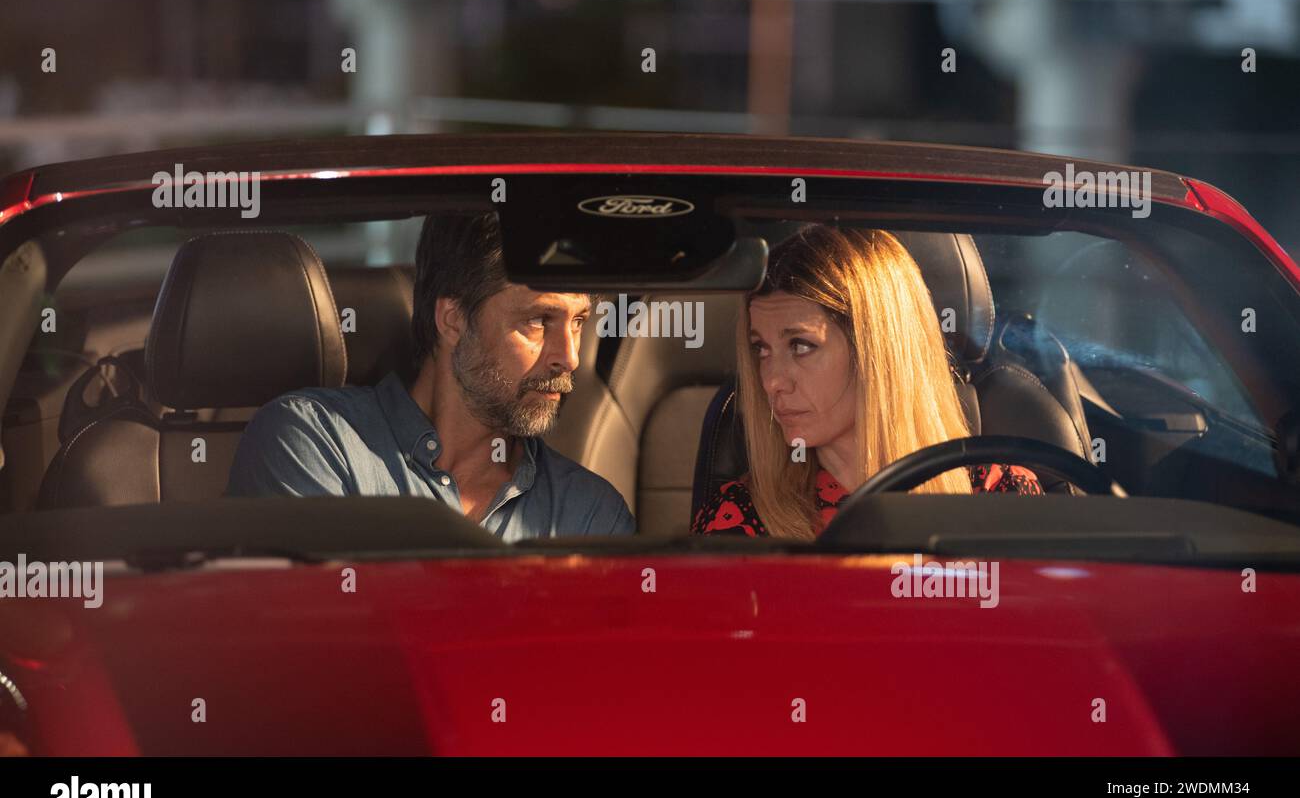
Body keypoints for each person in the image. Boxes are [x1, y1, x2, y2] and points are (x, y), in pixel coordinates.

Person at [227, 211, 635, 542]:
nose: (569, 357)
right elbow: (317, 634)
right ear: (452, 320)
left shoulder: (592, 513)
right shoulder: (315, 443)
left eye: (579, 321)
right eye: (538, 321)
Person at [692, 224, 1041, 539]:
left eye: (801, 345)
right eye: (761, 349)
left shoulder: (1000, 494)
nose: (771, 382)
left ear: (877, 351)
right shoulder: (741, 519)